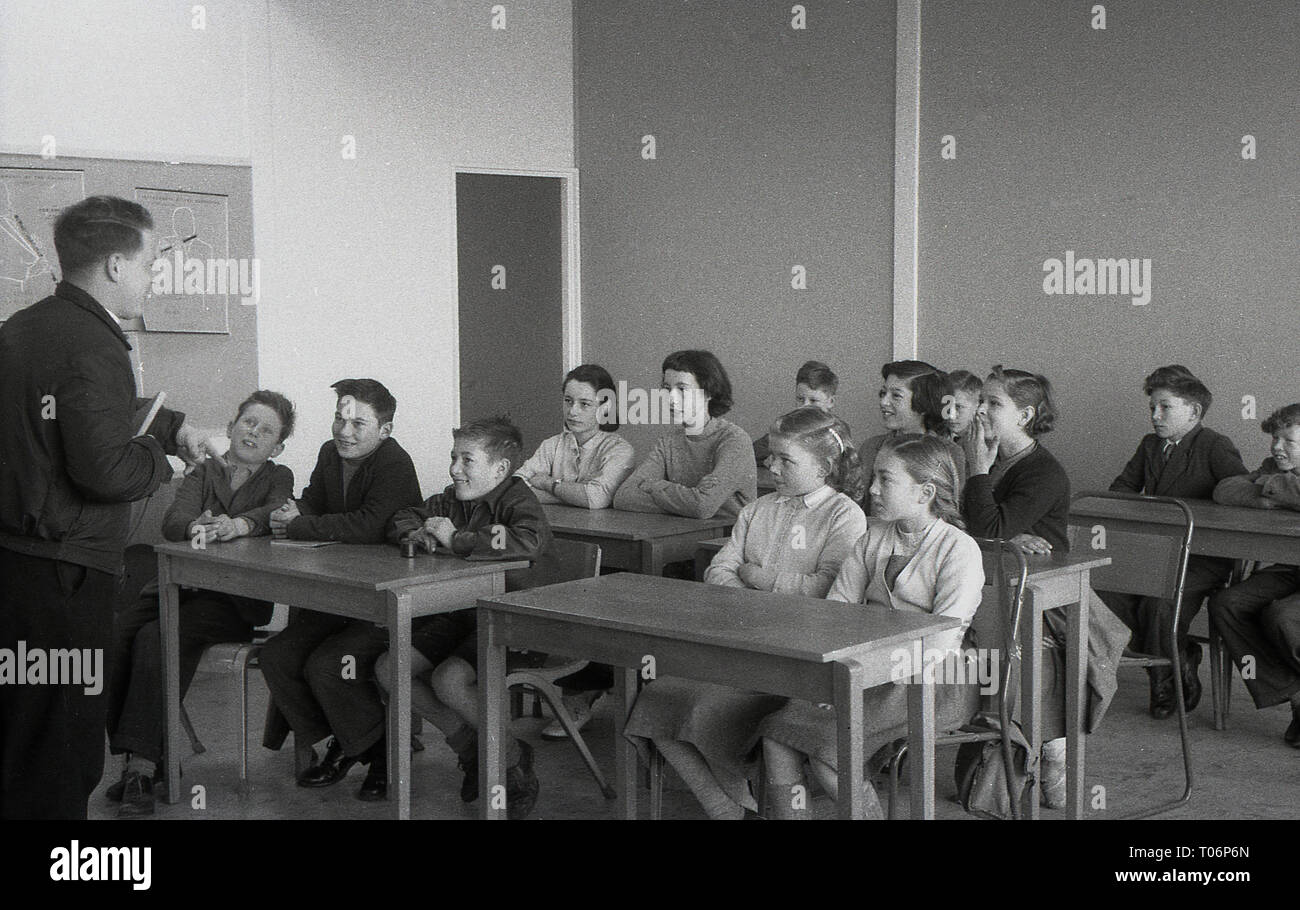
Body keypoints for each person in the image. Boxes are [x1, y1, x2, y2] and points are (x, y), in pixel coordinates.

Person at [0, 195, 217, 819]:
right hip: (65, 576)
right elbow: (106, 470)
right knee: (64, 748)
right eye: (150, 264)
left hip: (18, 568)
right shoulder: (96, 345)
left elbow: (76, 411)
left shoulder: (22, 329)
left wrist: (171, 426)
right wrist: (165, 460)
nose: (153, 278)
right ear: (117, 265)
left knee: (24, 735)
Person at [623, 407, 867, 818]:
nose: (771, 466)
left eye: (786, 460)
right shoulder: (758, 509)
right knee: (657, 697)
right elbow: (718, 570)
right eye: (771, 456)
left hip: (801, 660)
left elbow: (826, 590)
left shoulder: (844, 515)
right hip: (744, 646)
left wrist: (757, 577)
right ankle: (727, 805)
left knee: (703, 707)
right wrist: (753, 598)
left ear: (823, 468)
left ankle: (739, 796)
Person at [758, 434, 983, 818]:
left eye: (886, 479)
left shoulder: (958, 549)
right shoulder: (873, 536)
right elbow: (838, 612)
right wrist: (836, 673)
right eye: (874, 476)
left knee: (829, 751)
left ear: (925, 492)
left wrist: (861, 675)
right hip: (864, 669)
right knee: (777, 737)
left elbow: (940, 642)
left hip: (933, 677)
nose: (873, 489)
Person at [105, 390, 296, 816]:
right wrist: (197, 525)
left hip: (232, 604)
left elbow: (273, 510)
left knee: (155, 638)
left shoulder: (279, 476)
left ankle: (140, 769)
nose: (253, 432)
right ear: (230, 427)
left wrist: (240, 524)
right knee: (115, 638)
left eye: (266, 431)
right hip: (176, 588)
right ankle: (149, 757)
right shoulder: (204, 471)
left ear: (277, 448)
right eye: (248, 422)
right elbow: (174, 521)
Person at [960, 365, 1130, 808]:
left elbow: (986, 525)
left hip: (1046, 598)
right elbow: (965, 524)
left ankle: (1052, 748)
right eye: (981, 401)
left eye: (994, 403)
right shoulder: (990, 458)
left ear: (1025, 415)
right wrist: (1005, 533)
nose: (981, 411)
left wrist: (983, 487)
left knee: (1012, 650)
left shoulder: (1041, 471)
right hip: (993, 585)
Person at [377, 416, 554, 817]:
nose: (454, 469)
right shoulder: (452, 499)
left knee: (449, 679)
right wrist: (415, 532)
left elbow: (526, 540)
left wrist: (456, 538)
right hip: (464, 612)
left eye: (467, 460)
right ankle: (473, 748)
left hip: (516, 620)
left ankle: (512, 760)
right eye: (453, 457)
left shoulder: (518, 500)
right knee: (390, 668)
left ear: (500, 469)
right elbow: (405, 515)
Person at [257, 378, 421, 800]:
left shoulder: (394, 463)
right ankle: (355, 742)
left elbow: (370, 525)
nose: (344, 431)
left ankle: (376, 752)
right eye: (339, 419)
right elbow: (315, 499)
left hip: (385, 603)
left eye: (358, 423)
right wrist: (293, 511)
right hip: (342, 597)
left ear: (384, 430)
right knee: (276, 655)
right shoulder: (330, 453)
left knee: (329, 664)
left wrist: (300, 525)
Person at [1100, 365, 1248, 718]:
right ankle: (1179, 655)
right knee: (1104, 594)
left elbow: (1240, 494)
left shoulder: (1215, 445)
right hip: (1155, 553)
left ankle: (1165, 681)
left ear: (1193, 411)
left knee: (1158, 603)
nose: (1155, 416)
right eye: (1152, 407)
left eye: (1165, 407)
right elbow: (1122, 489)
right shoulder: (1150, 445)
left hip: (1201, 557)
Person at [1208, 402, 1300, 746]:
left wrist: (1267, 487)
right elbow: (1225, 490)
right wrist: (1274, 494)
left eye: (1288, 441)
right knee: (1227, 603)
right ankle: (1295, 695)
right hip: (1291, 566)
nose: (1276, 447)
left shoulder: (1270, 474)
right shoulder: (1272, 467)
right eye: (1274, 439)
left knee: (1283, 616)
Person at [514, 363, 635, 509]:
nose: (572, 411)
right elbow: (515, 488)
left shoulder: (620, 450)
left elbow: (595, 499)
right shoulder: (551, 445)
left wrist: (548, 483)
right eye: (568, 401)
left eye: (584, 404)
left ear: (605, 407)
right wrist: (575, 496)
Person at [754, 360, 838, 488]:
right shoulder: (786, 428)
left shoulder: (836, 434)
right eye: (800, 399)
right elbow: (750, 455)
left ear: (830, 402)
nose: (805, 406)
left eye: (813, 400)